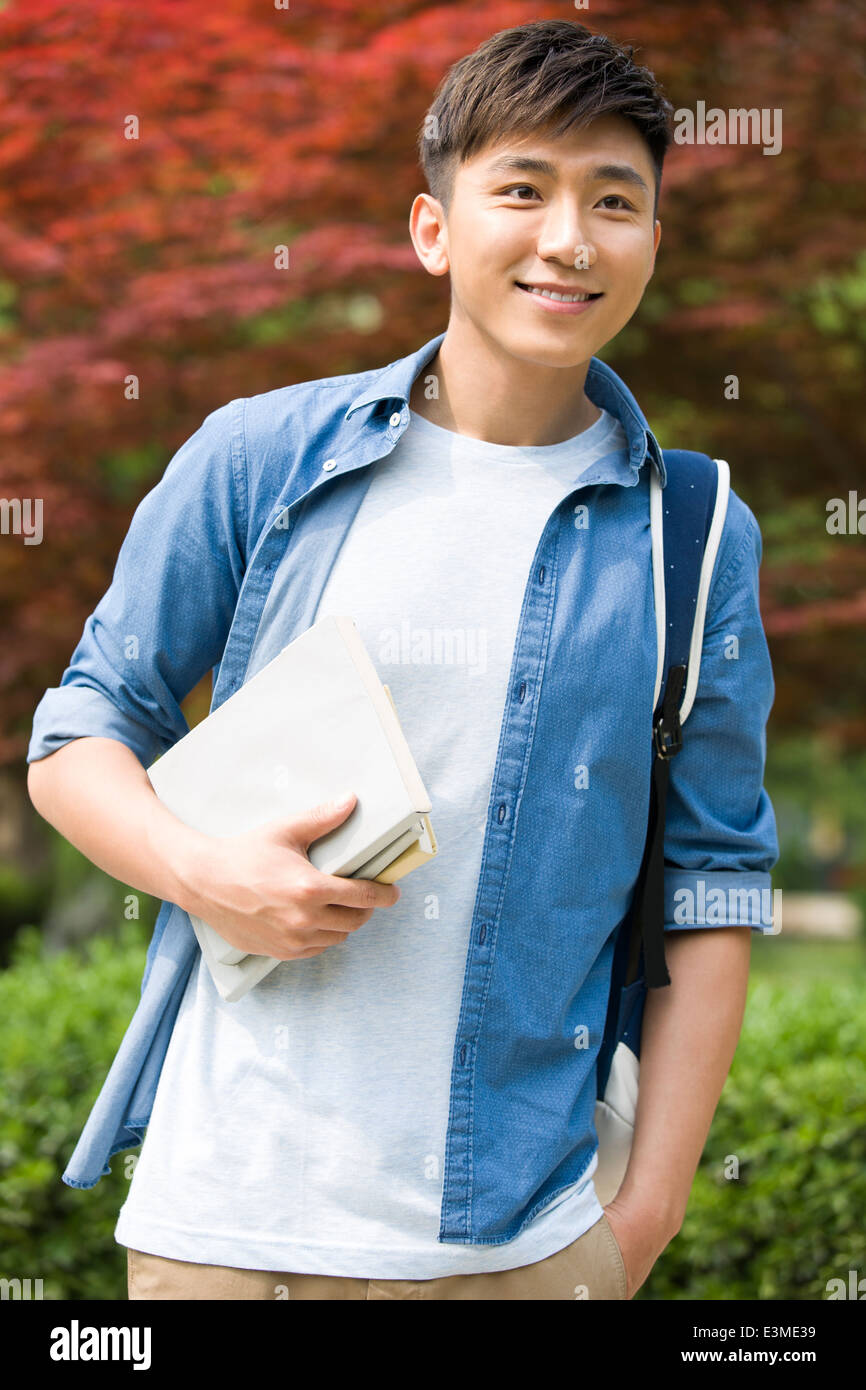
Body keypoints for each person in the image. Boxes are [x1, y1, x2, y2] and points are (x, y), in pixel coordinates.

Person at [26, 18, 779, 1301]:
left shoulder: (691, 532)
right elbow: (81, 732)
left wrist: (639, 1221)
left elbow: (711, 880)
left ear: (651, 241)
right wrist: (205, 872)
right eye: (522, 190)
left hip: (513, 1247)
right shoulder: (261, 457)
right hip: (221, 1223)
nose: (567, 238)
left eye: (613, 201)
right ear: (434, 228)